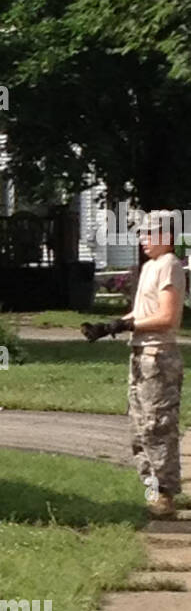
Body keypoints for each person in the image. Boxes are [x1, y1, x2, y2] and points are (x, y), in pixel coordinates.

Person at [81, 210, 186, 518]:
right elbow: (141, 313)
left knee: (158, 426)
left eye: (148, 234)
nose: (142, 239)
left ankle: (165, 495)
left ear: (166, 237)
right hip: (139, 355)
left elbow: (166, 317)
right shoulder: (151, 266)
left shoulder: (170, 265)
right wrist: (108, 326)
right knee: (139, 428)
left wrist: (128, 326)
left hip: (159, 358)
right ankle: (151, 489)